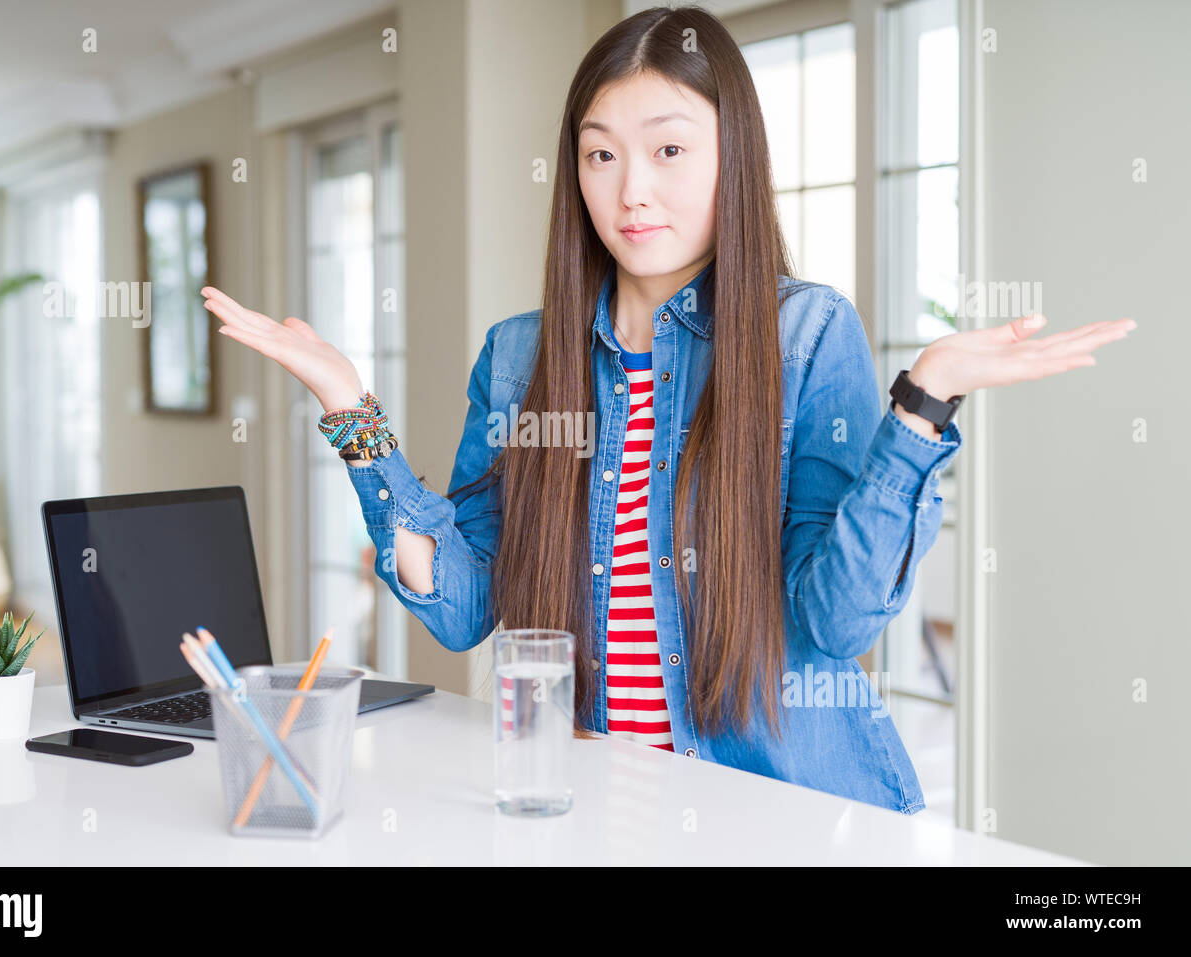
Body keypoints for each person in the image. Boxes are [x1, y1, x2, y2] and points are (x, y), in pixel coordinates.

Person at [200, 4, 1134, 814]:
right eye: (600, 154)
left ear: (735, 154)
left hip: (784, 810)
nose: (631, 189)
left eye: (670, 149)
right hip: (595, 807)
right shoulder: (520, 355)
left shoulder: (804, 335)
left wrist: (922, 406)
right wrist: (349, 408)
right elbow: (464, 603)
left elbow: (839, 621)